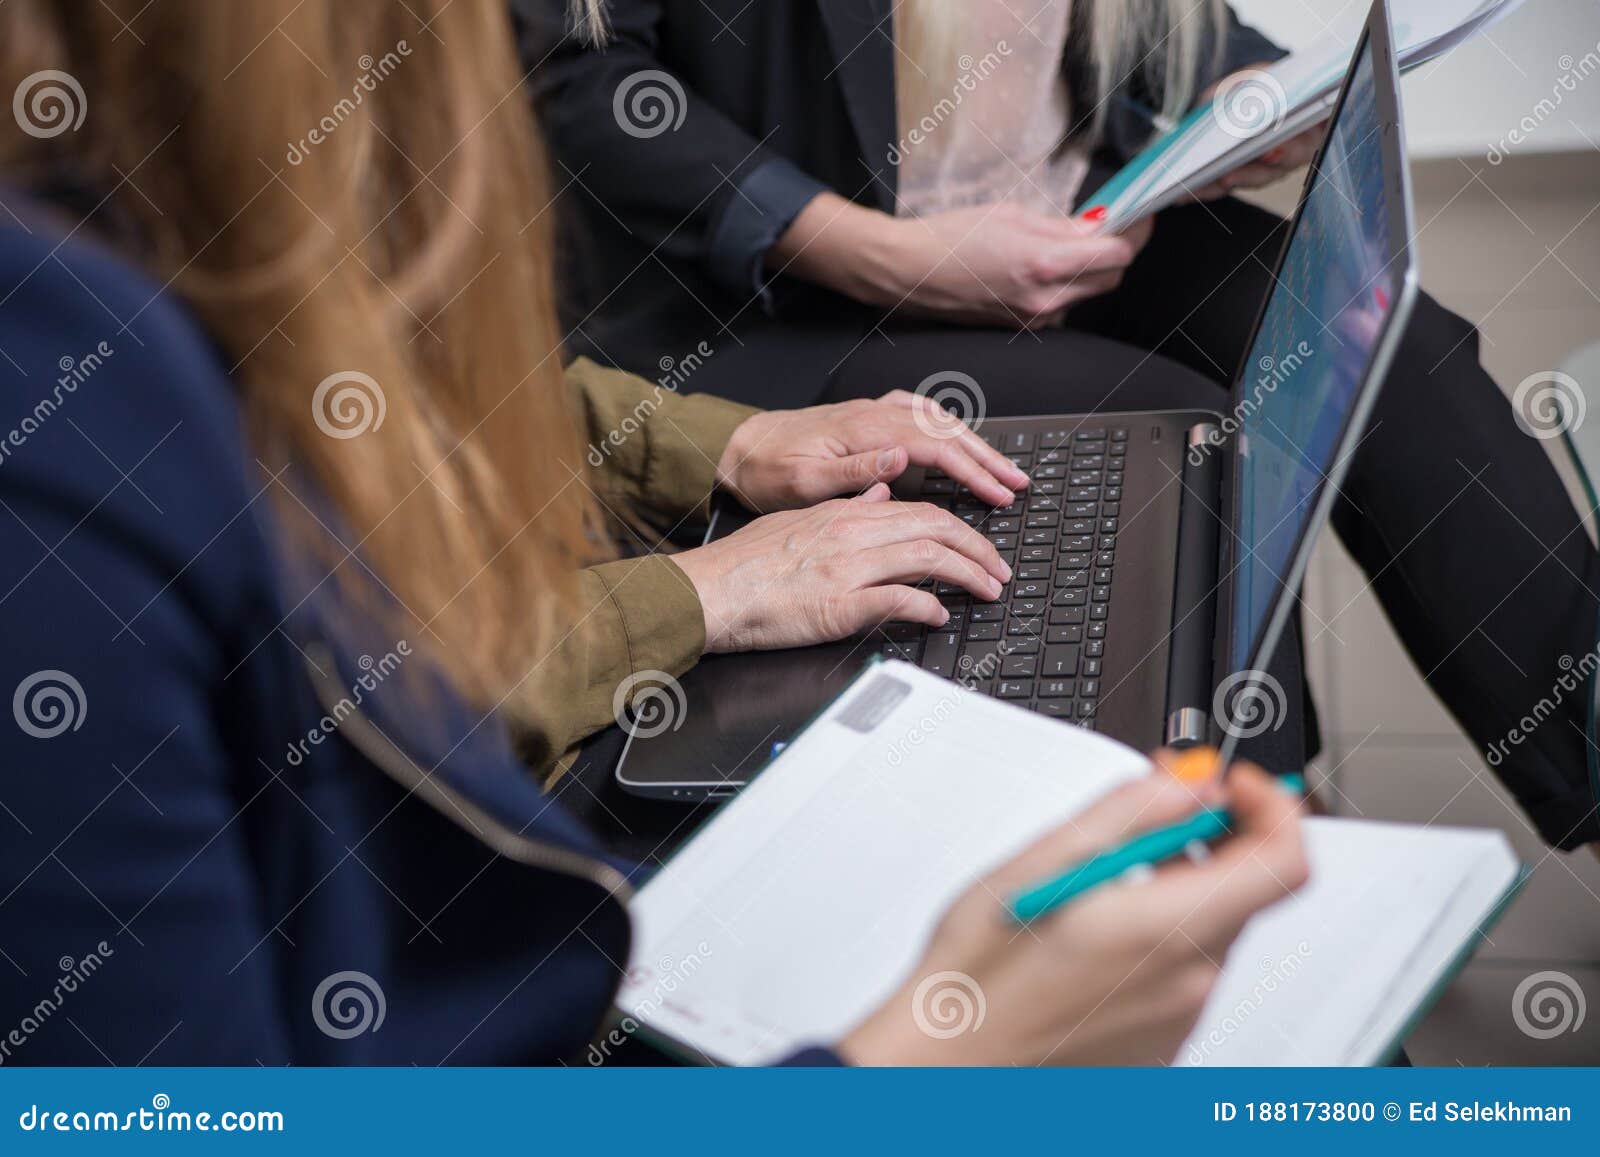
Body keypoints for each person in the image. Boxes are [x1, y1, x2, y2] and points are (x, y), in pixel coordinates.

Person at [0, 0, 1305, 1066]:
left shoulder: (156, 225)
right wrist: (936, 1052)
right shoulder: (61, 426)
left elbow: (403, 413)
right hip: (528, 934)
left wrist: (719, 444)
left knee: (1167, 517)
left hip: (529, 868)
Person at [520, 0, 1600, 852]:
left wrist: (1249, 92)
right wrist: (876, 251)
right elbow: (576, 74)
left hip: (1076, 218)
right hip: (781, 287)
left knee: (1387, 346)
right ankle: (1250, 813)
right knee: (1178, 452)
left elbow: (1147, 34)